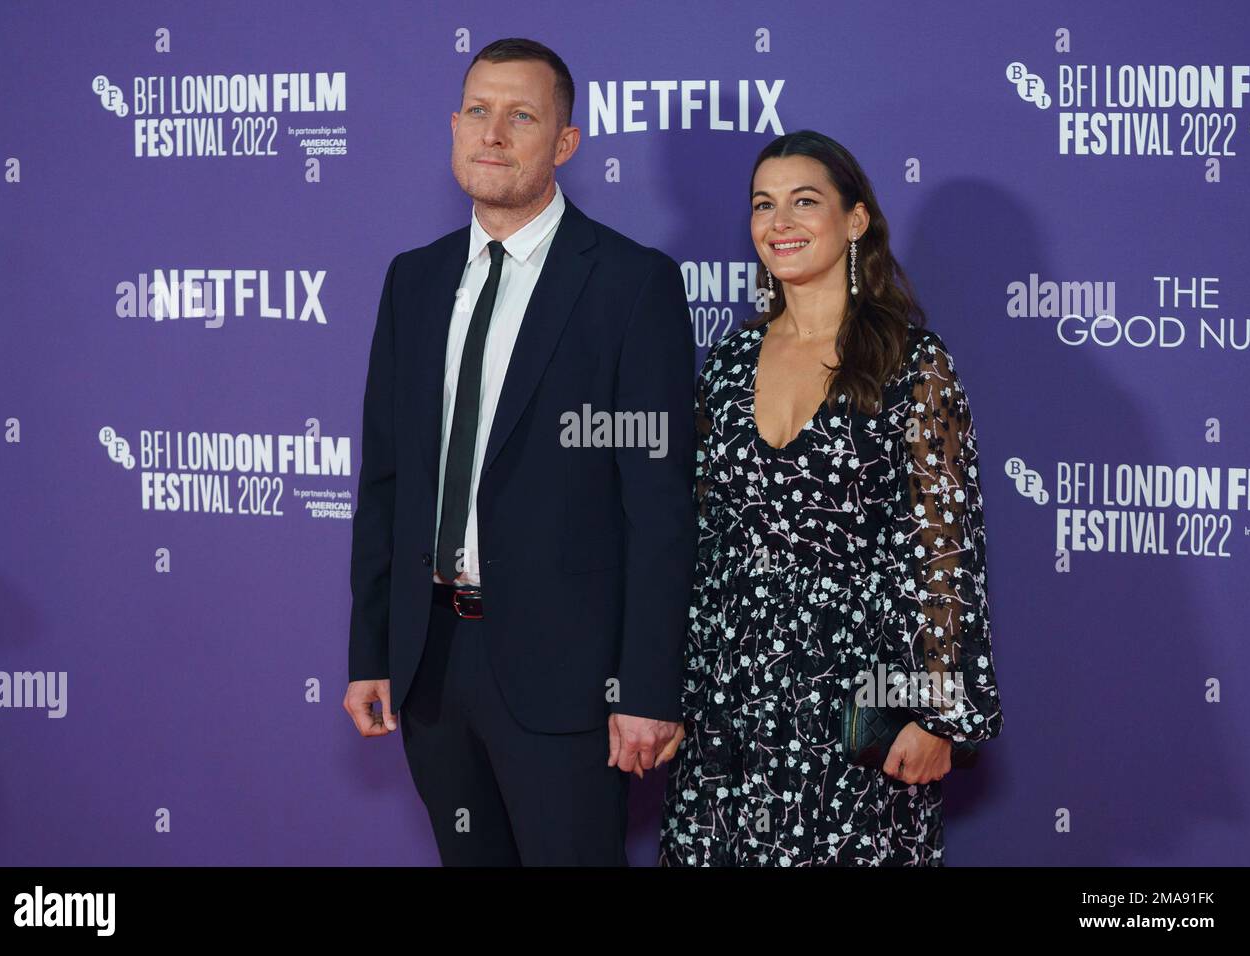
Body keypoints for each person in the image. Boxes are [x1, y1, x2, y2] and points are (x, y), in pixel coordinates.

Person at [342, 37, 696, 866]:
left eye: (521, 116)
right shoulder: (415, 279)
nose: (492, 133)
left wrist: (647, 687)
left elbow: (660, 508)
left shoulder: (629, 284)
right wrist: (372, 649)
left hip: (570, 679)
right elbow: (386, 481)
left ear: (565, 144)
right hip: (431, 665)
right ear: (454, 125)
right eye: (477, 111)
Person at [658, 130, 1005, 866]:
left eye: (804, 202)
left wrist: (937, 712)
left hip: (859, 702)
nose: (779, 223)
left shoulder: (912, 362)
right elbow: (703, 543)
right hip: (730, 700)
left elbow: (942, 550)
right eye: (763, 205)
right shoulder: (725, 364)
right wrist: (672, 688)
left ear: (855, 221)